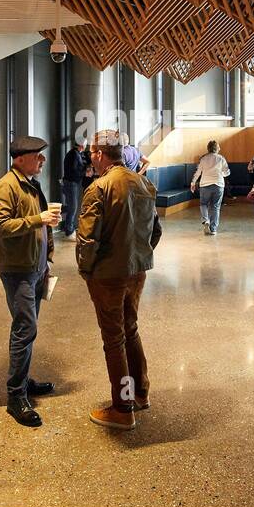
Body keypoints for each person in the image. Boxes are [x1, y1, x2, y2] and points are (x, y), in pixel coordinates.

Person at [77, 129, 163, 431]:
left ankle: (123, 407)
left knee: (113, 339)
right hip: (137, 272)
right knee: (131, 329)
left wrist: (86, 271)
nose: (91, 158)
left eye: (92, 153)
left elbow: (88, 240)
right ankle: (140, 393)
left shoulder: (98, 188)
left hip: (109, 276)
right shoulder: (143, 182)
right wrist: (140, 255)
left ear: (101, 154)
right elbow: (156, 231)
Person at [0, 136, 61, 427]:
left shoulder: (30, 182)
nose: (42, 160)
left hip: (35, 266)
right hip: (17, 269)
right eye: (37, 156)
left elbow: (41, 224)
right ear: (19, 159)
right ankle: (15, 396)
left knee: (27, 329)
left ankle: (24, 379)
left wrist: (48, 256)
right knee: (25, 327)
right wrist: (37, 218)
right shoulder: (6, 186)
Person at [190, 140, 230, 235]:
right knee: (215, 207)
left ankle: (205, 220)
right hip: (218, 185)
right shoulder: (221, 158)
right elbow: (227, 171)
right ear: (217, 148)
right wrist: (221, 174)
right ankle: (213, 229)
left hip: (205, 185)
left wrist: (193, 183)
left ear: (208, 148)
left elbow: (198, 172)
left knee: (203, 204)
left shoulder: (203, 159)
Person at [60, 140, 88, 236]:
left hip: (70, 183)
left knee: (72, 206)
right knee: (73, 207)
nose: (86, 146)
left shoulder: (75, 153)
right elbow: (74, 171)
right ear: (81, 145)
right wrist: (86, 173)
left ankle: (68, 227)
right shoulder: (74, 155)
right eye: (85, 144)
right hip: (71, 183)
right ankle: (69, 230)